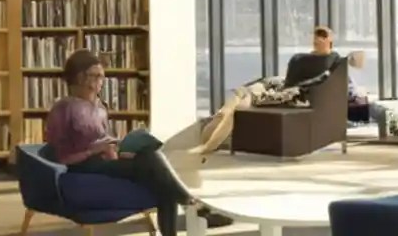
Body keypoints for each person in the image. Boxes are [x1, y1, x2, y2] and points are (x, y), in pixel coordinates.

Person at [44, 49, 196, 236]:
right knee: (154, 167)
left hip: (106, 161)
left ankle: (184, 204)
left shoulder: (99, 107)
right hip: (83, 166)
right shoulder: (63, 109)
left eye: (102, 76)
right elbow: (60, 157)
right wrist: (94, 151)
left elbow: (102, 139)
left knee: (157, 170)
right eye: (96, 76)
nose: (101, 81)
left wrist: (117, 148)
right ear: (80, 77)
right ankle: (189, 200)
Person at [193, 26, 364, 156]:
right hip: (278, 84)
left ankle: (209, 144)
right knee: (238, 99)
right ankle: (212, 135)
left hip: (295, 92)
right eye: (316, 36)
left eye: (323, 36)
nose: (318, 39)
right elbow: (288, 78)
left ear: (330, 40)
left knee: (237, 106)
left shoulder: (334, 61)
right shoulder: (301, 58)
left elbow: (348, 68)